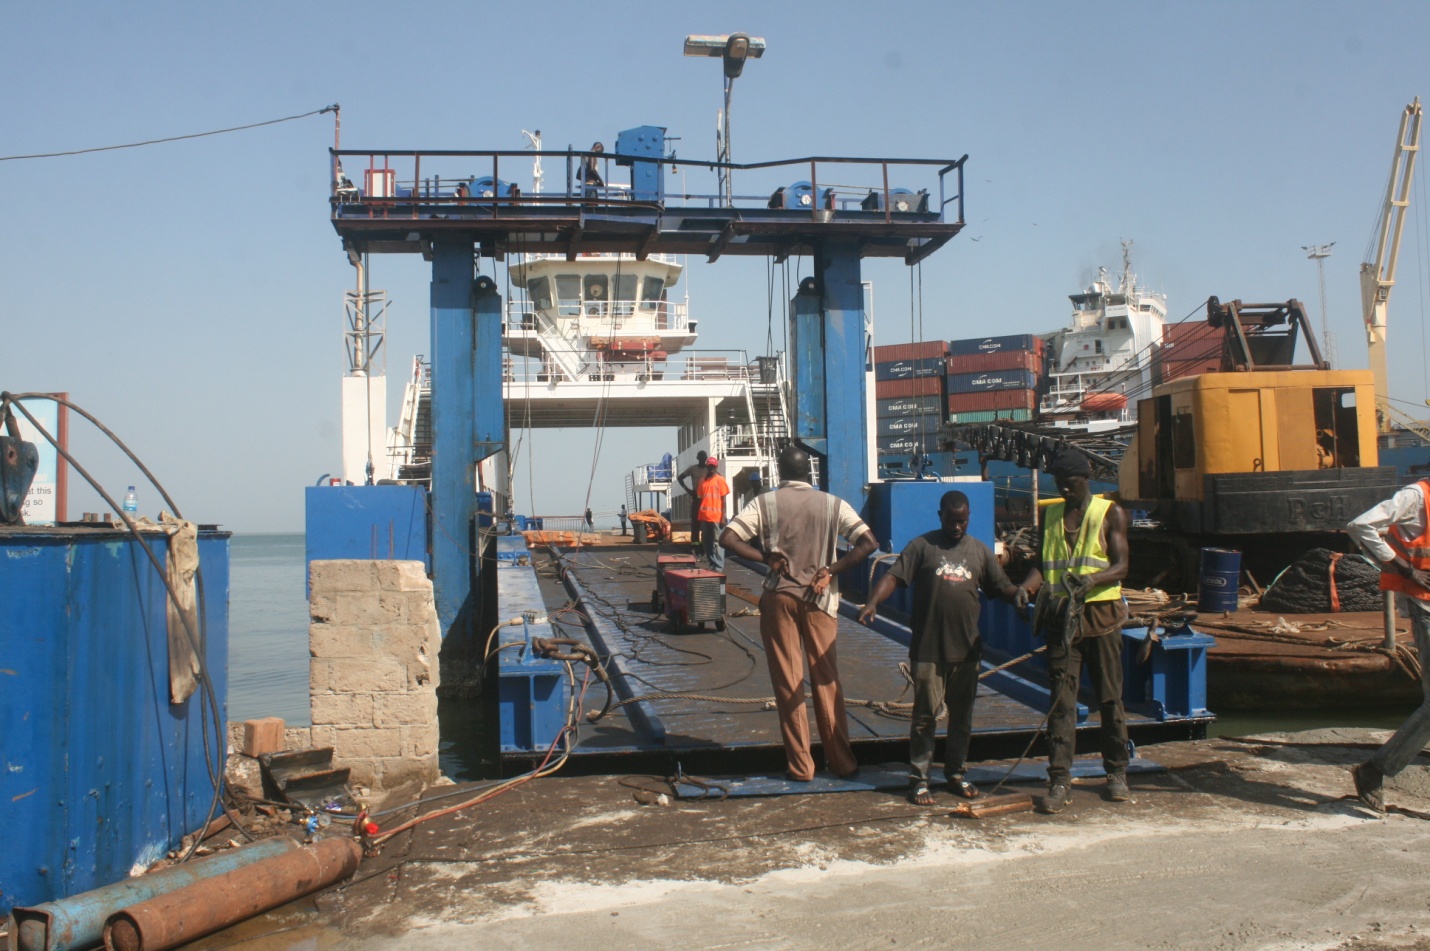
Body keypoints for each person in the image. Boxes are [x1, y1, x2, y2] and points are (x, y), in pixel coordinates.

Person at [721, 445, 879, 782]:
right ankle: (842, 762)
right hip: (820, 602)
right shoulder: (833, 504)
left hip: (779, 599)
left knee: (787, 682)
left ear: (780, 473)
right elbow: (868, 543)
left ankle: (801, 766)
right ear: (809, 473)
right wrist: (831, 570)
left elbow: (728, 538)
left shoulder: (763, 503)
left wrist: (766, 558)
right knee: (827, 681)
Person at [858, 491, 1024, 805]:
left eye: (963, 520)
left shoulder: (980, 552)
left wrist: (1022, 593)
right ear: (940, 516)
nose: (957, 526)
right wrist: (872, 602)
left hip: (967, 651)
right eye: (951, 520)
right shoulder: (923, 546)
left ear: (969, 516)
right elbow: (893, 577)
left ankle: (956, 774)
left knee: (962, 719)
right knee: (924, 718)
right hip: (928, 648)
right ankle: (919, 781)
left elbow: (1001, 588)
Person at [1019, 447, 1131, 814]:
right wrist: (1026, 587)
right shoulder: (1049, 515)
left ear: (1087, 479)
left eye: (1071, 484)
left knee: (1110, 699)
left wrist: (1092, 579)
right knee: (1061, 704)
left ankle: (1116, 772)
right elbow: (1041, 565)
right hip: (1061, 623)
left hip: (1101, 620)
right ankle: (1059, 780)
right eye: (1059, 484)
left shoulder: (1109, 513)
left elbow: (1121, 566)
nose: (1064, 490)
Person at [1346, 478, 1430, 812]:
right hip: (1425, 604)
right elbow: (1360, 525)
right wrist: (1406, 569)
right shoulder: (1416, 497)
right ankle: (1375, 771)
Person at [695, 457, 730, 570]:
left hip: (716, 517)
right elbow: (700, 499)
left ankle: (718, 567)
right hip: (705, 517)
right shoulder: (702, 481)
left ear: (716, 467)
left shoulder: (720, 480)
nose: (711, 468)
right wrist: (699, 516)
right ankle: (712, 563)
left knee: (718, 543)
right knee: (706, 542)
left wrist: (723, 517)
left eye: (713, 466)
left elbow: (724, 500)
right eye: (709, 466)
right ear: (707, 466)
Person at [677, 450, 709, 549]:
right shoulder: (693, 469)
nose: (703, 459)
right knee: (695, 522)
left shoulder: (710, 469)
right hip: (697, 499)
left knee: (706, 522)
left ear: (706, 458)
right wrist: (688, 490)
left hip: (707, 499)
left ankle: (705, 543)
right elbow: (680, 478)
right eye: (701, 457)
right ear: (698, 458)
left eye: (704, 457)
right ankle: (695, 543)